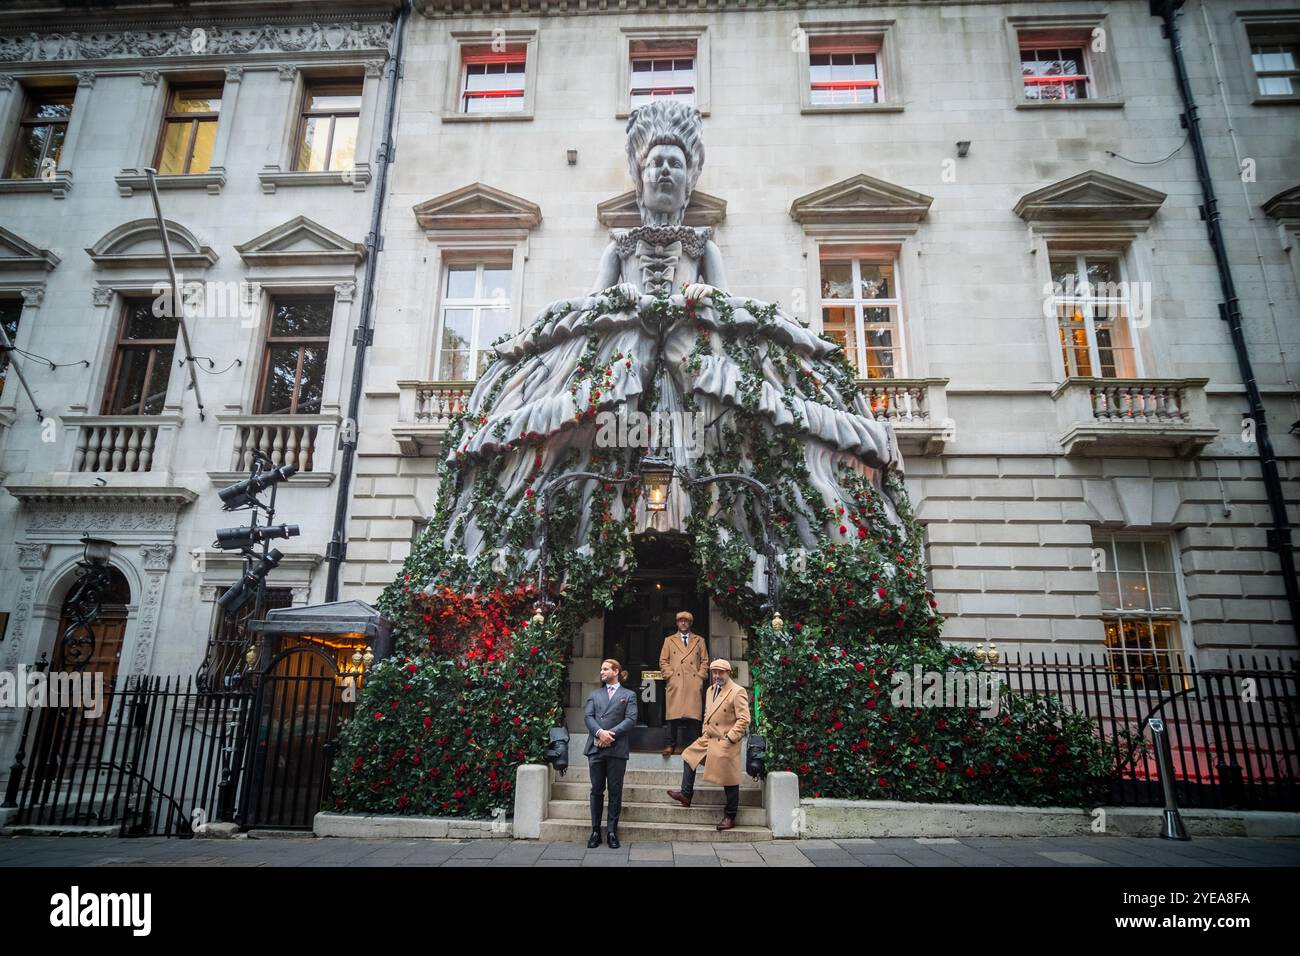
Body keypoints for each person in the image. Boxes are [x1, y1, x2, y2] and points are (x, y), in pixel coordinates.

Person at [668, 659, 751, 831]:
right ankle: (686, 794)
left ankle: (730, 816)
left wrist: (730, 738)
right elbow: (708, 712)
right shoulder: (710, 689)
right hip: (709, 737)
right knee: (689, 756)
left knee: (729, 779)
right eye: (714, 672)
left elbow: (744, 719)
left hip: (726, 740)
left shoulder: (738, 691)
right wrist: (705, 730)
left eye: (721, 672)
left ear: (728, 673)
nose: (717, 675)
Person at [583, 658, 638, 848]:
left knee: (615, 791)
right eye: (601, 669)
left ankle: (612, 832)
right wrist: (599, 733)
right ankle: (595, 831)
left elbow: (631, 720)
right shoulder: (594, 694)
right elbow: (588, 717)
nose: (602, 672)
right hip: (595, 747)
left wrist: (608, 735)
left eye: (606, 669)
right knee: (596, 790)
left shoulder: (628, 695)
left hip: (616, 748)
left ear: (616, 671)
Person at [658, 610, 708, 757]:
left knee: (694, 718)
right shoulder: (669, 640)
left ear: (690, 623)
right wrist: (670, 676)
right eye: (680, 620)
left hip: (693, 682)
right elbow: (663, 660)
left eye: (686, 621)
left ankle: (695, 748)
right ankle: (670, 745)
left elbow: (705, 661)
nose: (683, 623)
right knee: (673, 716)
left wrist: (700, 677)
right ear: (677, 623)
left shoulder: (700, 640)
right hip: (676, 682)